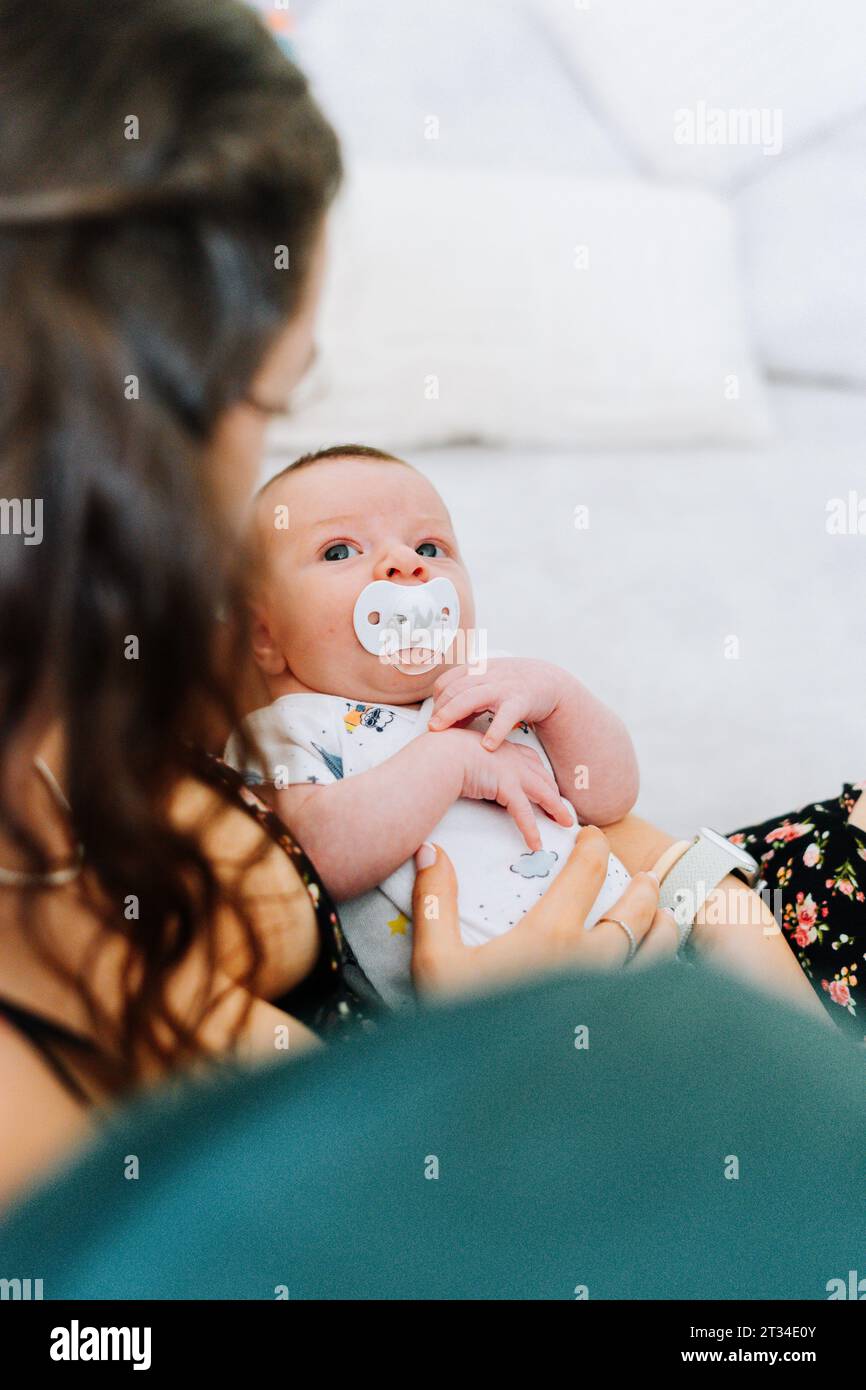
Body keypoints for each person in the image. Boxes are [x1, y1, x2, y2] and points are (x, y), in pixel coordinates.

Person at [0, 0, 819, 1214]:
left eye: (430, 544)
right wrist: (503, 1047)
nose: (400, 575)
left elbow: (604, 795)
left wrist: (564, 738)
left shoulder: (123, 688)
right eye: (270, 404)